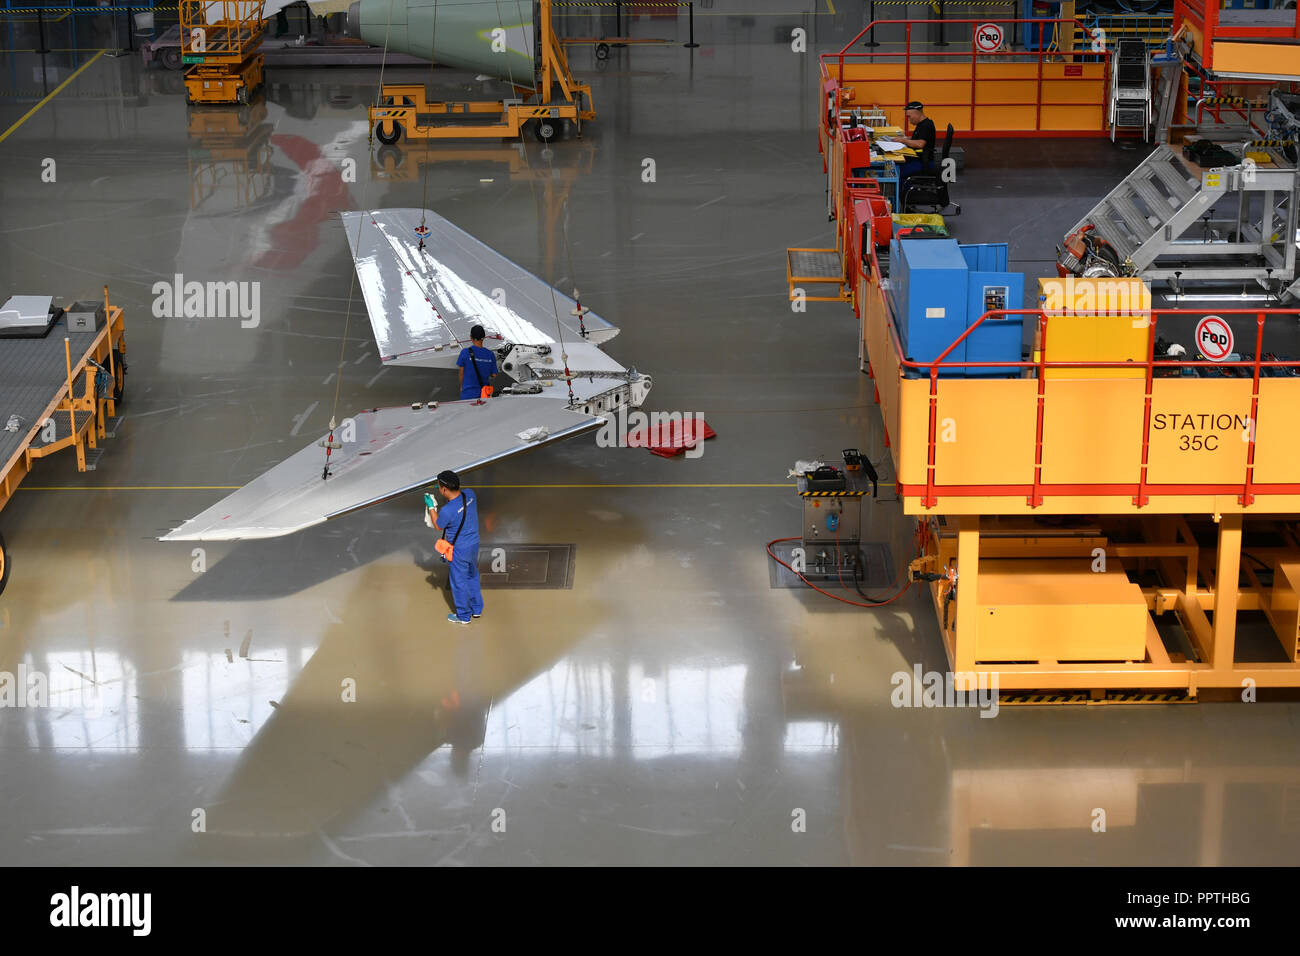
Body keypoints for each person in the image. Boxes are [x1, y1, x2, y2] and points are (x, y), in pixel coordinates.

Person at [429, 469, 483, 625]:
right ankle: (477, 608)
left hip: (459, 550)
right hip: (474, 543)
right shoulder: (470, 494)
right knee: (472, 575)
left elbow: (438, 525)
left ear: (444, 489)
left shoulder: (447, 511)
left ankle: (463, 616)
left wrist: (432, 507)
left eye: (439, 487)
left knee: (458, 582)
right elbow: (459, 505)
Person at [896, 100, 937, 181]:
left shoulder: (926, 126)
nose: (909, 119)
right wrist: (904, 139)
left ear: (917, 113)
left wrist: (903, 141)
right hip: (918, 158)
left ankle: (902, 192)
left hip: (923, 162)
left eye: (909, 116)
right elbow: (917, 138)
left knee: (897, 172)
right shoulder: (922, 124)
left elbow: (920, 144)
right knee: (897, 165)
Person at [457, 324, 497, 401]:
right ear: (484, 337)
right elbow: (493, 375)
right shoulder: (490, 354)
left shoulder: (465, 352)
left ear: (471, 337)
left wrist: (462, 387)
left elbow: (461, 373)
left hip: (467, 394)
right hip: (484, 395)